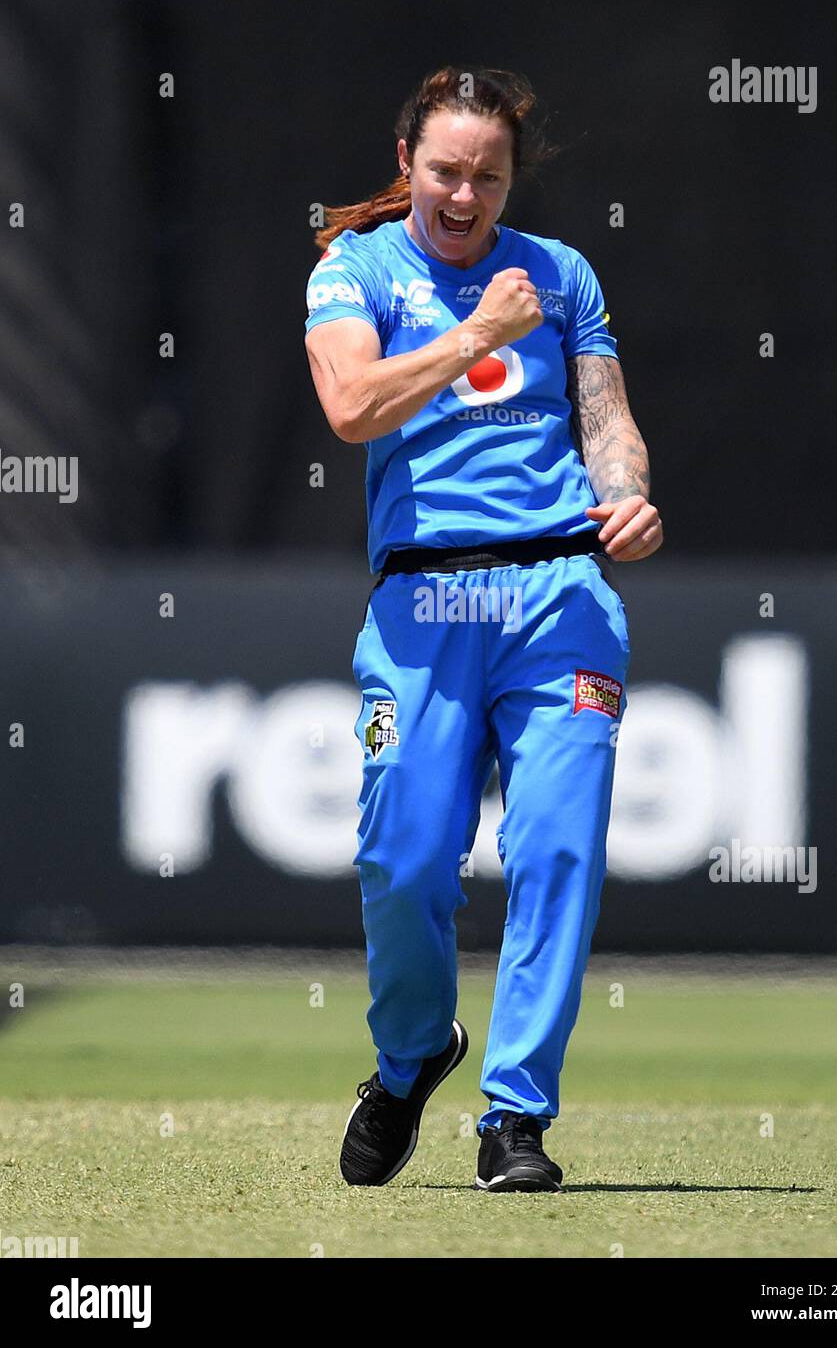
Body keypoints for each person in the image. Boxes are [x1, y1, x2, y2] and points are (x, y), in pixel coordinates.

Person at [303, 66, 662, 1193]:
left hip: (561, 594)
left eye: (488, 178)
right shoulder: (351, 269)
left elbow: (605, 418)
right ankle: (412, 1058)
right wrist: (476, 334)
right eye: (447, 171)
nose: (464, 196)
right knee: (402, 858)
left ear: (513, 180)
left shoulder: (561, 275)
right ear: (406, 160)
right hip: (422, 605)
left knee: (555, 850)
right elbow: (352, 406)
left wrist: (631, 494)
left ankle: (516, 1116)